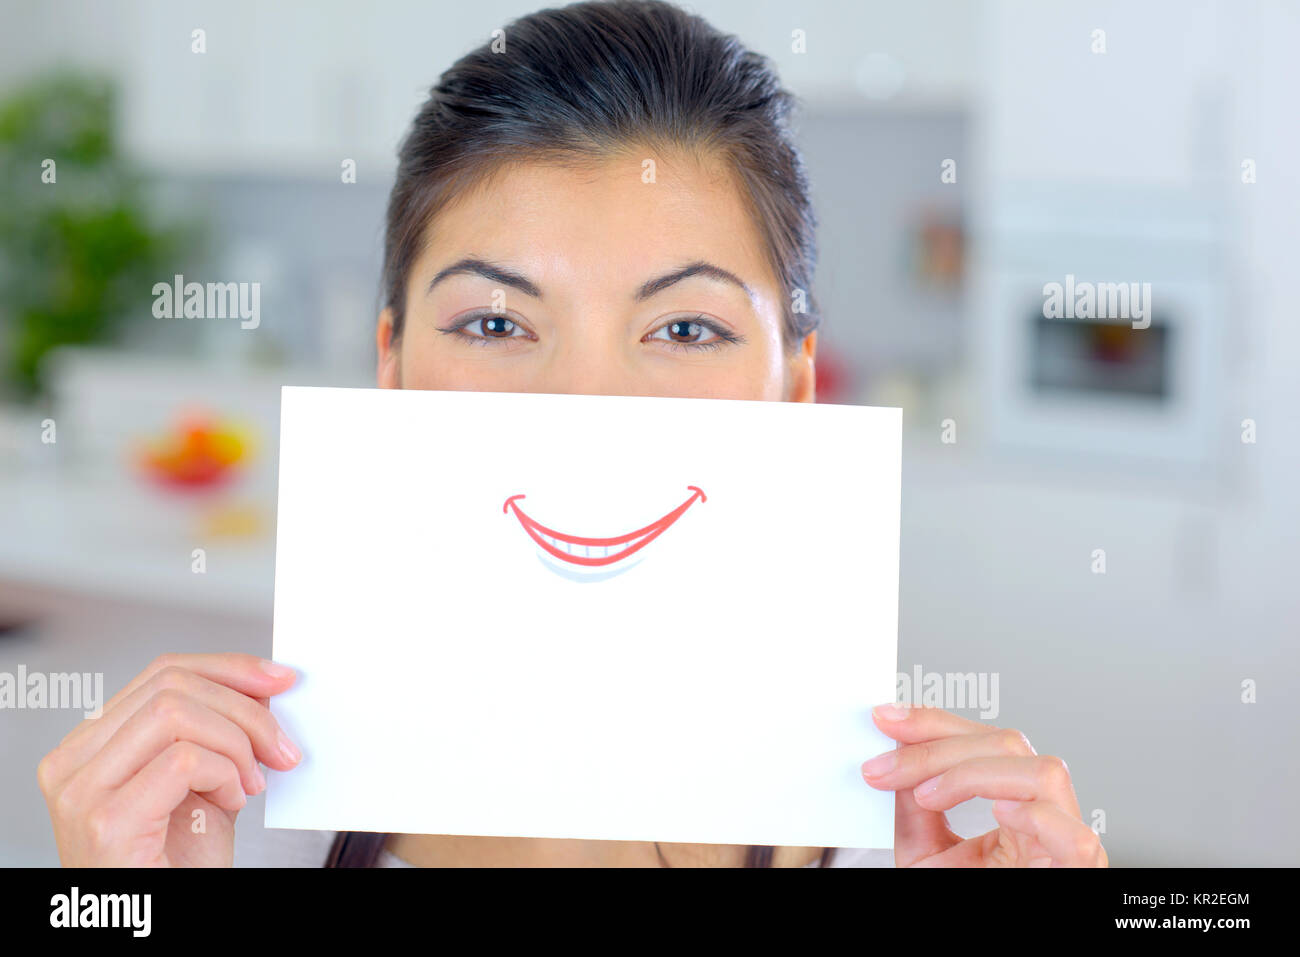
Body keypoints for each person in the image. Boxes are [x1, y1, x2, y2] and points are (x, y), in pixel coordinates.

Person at [37, 0, 1107, 868]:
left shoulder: (920, 850)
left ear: (797, 386)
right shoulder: (231, 831)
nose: (587, 406)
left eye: (685, 326)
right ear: (392, 368)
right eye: (496, 323)